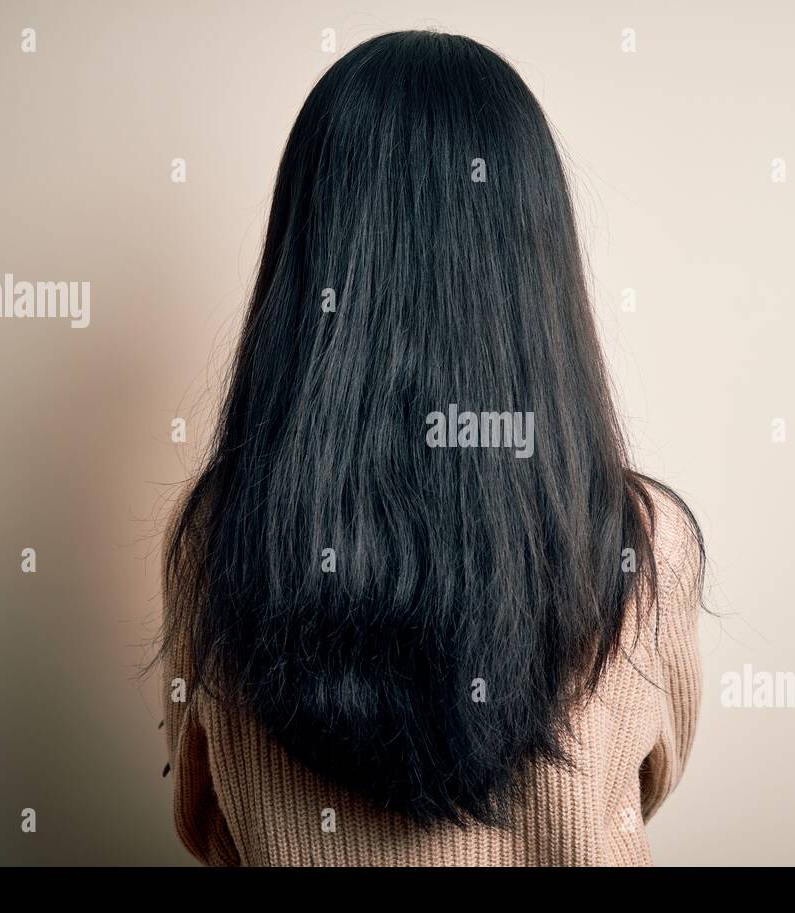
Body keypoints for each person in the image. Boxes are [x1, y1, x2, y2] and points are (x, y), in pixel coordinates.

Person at [158, 29, 705, 866]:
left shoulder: (215, 537)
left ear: (310, 260)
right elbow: (648, 781)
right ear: (535, 263)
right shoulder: (647, 539)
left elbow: (205, 822)